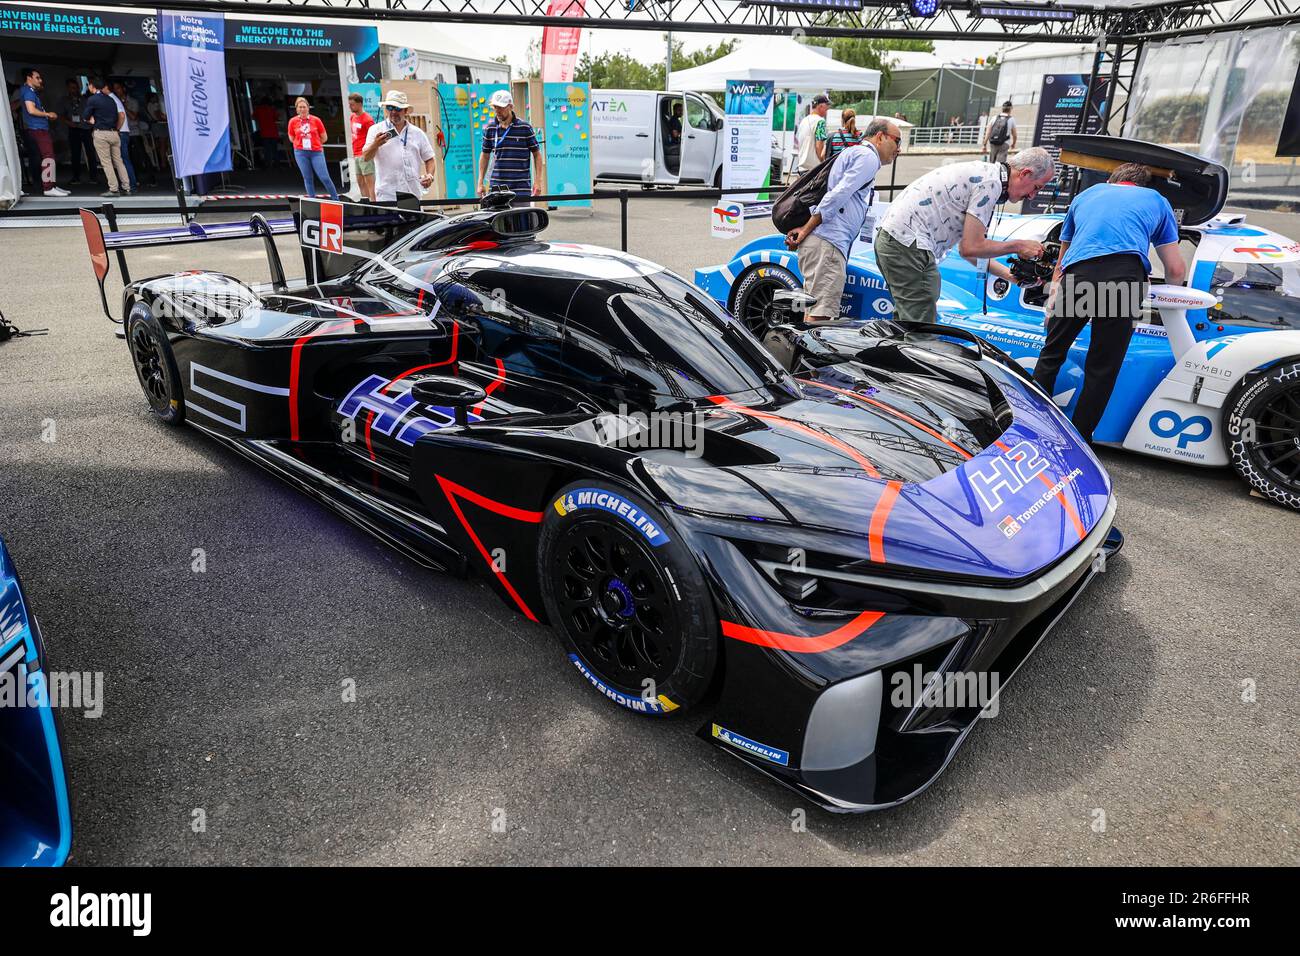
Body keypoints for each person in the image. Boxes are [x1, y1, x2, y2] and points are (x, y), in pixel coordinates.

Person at [1033, 163, 1187, 444]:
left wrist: (1054, 298)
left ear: (1111, 180)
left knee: (1052, 353)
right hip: (1124, 279)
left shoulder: (1086, 195)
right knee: (1102, 368)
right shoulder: (1156, 200)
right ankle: (1079, 440)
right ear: (1141, 184)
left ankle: (1032, 427)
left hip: (1078, 275)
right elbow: (1175, 268)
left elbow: (1062, 259)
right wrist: (1171, 299)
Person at [876, 147, 1055, 325]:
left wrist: (1010, 276)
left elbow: (968, 252)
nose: (1032, 196)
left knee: (909, 322)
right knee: (919, 327)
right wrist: (1018, 246)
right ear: (1025, 173)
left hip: (898, 240)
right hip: (907, 242)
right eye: (1036, 188)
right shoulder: (990, 185)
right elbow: (972, 247)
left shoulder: (988, 176)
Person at [783, 119, 902, 324]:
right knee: (820, 316)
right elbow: (837, 195)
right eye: (897, 141)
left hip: (823, 240)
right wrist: (806, 229)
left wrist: (807, 230)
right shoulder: (867, 157)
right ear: (880, 137)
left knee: (813, 310)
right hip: (827, 242)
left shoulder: (855, 153)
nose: (899, 148)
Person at [362, 90, 435, 204]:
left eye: (398, 108)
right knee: (388, 222)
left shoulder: (417, 133)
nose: (393, 112)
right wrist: (376, 144)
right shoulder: (376, 130)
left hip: (411, 193)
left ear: (405, 111)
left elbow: (429, 159)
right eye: (390, 108)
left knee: (412, 221)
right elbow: (366, 157)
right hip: (387, 194)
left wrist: (430, 176)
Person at [478, 89, 542, 204]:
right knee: (498, 221)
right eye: (495, 107)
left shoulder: (525, 127)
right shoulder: (490, 128)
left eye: (501, 107)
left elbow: (537, 154)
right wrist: (480, 182)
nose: (497, 111)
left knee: (521, 221)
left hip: (520, 188)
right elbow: (485, 155)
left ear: (511, 106)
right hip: (496, 188)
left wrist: (538, 181)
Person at [17, 68, 69, 196]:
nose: (40, 80)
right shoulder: (28, 92)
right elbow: (31, 110)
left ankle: (51, 185)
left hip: (37, 128)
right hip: (38, 128)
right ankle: (48, 187)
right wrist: (48, 114)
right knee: (48, 156)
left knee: (47, 157)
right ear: (29, 78)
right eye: (37, 77)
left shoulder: (28, 91)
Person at [83, 75, 129, 197]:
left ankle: (114, 189)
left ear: (92, 86)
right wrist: (117, 129)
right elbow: (120, 115)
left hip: (101, 133)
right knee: (119, 161)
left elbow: (86, 116)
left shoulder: (92, 99)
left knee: (106, 162)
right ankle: (126, 187)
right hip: (114, 133)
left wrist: (90, 120)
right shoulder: (111, 99)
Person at [287, 96, 339, 200]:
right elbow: (292, 138)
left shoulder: (316, 120)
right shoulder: (292, 122)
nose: (302, 109)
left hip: (316, 152)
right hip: (301, 152)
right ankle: (312, 200)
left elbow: (324, 137)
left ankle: (335, 199)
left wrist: (314, 142)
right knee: (307, 178)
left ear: (308, 107)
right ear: (296, 109)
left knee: (324, 177)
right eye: (300, 107)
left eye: (304, 107)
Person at [60, 77, 99, 187]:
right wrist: (68, 122)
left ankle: (94, 176)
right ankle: (76, 177)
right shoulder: (64, 100)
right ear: (68, 88)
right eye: (72, 88)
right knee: (75, 154)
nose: (75, 90)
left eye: (76, 87)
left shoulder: (85, 99)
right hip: (73, 129)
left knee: (90, 153)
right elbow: (61, 115)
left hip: (86, 128)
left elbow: (92, 112)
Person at [347, 92, 376, 201]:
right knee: (360, 182)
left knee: (369, 183)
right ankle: (365, 203)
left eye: (352, 104)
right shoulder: (352, 117)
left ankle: (373, 204)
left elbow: (373, 137)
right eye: (349, 104)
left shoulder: (367, 119)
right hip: (356, 153)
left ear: (360, 104)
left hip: (365, 154)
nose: (350, 107)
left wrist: (369, 152)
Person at [794, 93, 830, 173]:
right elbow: (819, 146)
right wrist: (823, 162)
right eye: (826, 107)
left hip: (802, 167)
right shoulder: (820, 121)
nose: (827, 109)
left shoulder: (804, 121)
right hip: (814, 168)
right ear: (820, 106)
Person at [252, 97, 281, 168]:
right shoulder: (272, 109)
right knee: (274, 149)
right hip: (273, 133)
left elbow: (253, 117)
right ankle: (277, 164)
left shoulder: (258, 109)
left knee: (267, 150)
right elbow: (277, 117)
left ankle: (268, 164)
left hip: (264, 133)